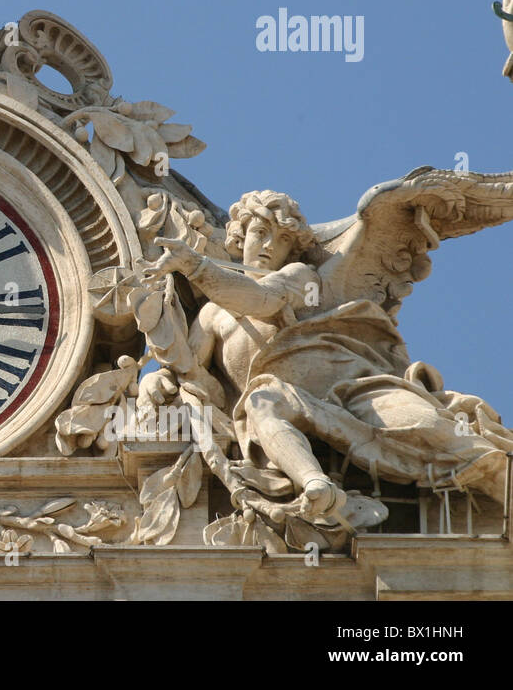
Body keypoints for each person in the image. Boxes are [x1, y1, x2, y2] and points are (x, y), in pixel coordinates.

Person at [143, 190, 510, 516]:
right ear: (238, 238)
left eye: (283, 238)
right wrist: (158, 380)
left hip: (352, 385)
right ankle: (318, 488)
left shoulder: (300, 276)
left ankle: (502, 483)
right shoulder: (210, 315)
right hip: (287, 397)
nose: (269, 244)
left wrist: (195, 266)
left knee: (431, 429)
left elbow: (261, 299)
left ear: (294, 249)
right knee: (261, 402)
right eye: (259, 232)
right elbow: (194, 377)